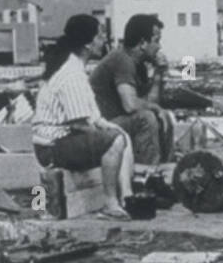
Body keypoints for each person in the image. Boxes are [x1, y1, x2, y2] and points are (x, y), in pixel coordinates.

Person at [31, 14, 133, 219]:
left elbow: (92, 117)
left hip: (59, 141)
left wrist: (112, 130)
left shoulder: (75, 68)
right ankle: (111, 204)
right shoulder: (71, 74)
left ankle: (126, 197)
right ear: (87, 43)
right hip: (51, 148)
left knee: (120, 135)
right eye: (99, 35)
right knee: (114, 140)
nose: (103, 40)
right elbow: (79, 124)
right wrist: (109, 137)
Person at [89, 13, 176, 165]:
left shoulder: (138, 64)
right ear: (143, 43)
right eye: (156, 41)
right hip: (100, 126)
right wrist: (155, 108)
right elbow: (130, 105)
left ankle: (164, 169)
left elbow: (148, 102)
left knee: (164, 116)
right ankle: (146, 174)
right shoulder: (122, 60)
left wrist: (158, 74)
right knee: (146, 118)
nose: (159, 47)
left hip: (115, 122)